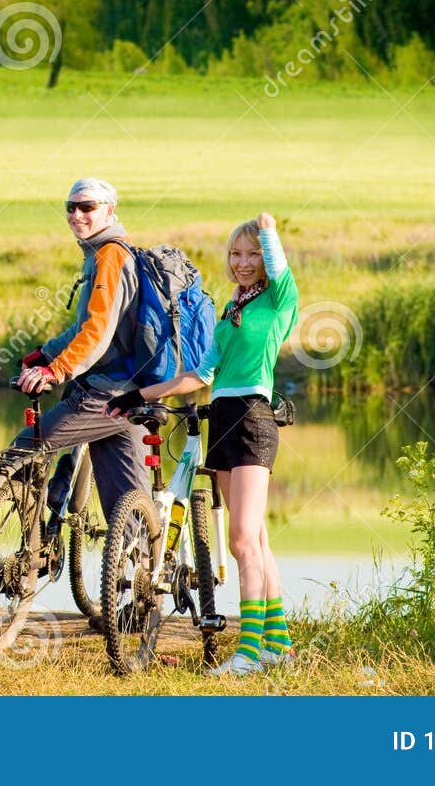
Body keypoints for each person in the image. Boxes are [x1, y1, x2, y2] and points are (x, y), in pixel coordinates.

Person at [126, 212, 297, 676]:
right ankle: (277, 646)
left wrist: (268, 231)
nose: (243, 263)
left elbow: (280, 270)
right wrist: (137, 395)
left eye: (251, 255)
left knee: (241, 539)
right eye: (235, 254)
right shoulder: (231, 310)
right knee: (257, 539)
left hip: (253, 419)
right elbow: (200, 376)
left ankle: (247, 652)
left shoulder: (280, 301)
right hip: (220, 416)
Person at [8, 178, 149, 542]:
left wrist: (57, 370)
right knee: (129, 504)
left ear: (109, 211)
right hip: (136, 389)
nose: (76, 214)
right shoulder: (103, 254)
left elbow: (97, 333)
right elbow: (85, 326)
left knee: (26, 448)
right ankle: (141, 581)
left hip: (109, 390)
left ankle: (31, 550)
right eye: (70, 207)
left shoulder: (110, 256)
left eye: (87, 207)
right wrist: (46, 353)